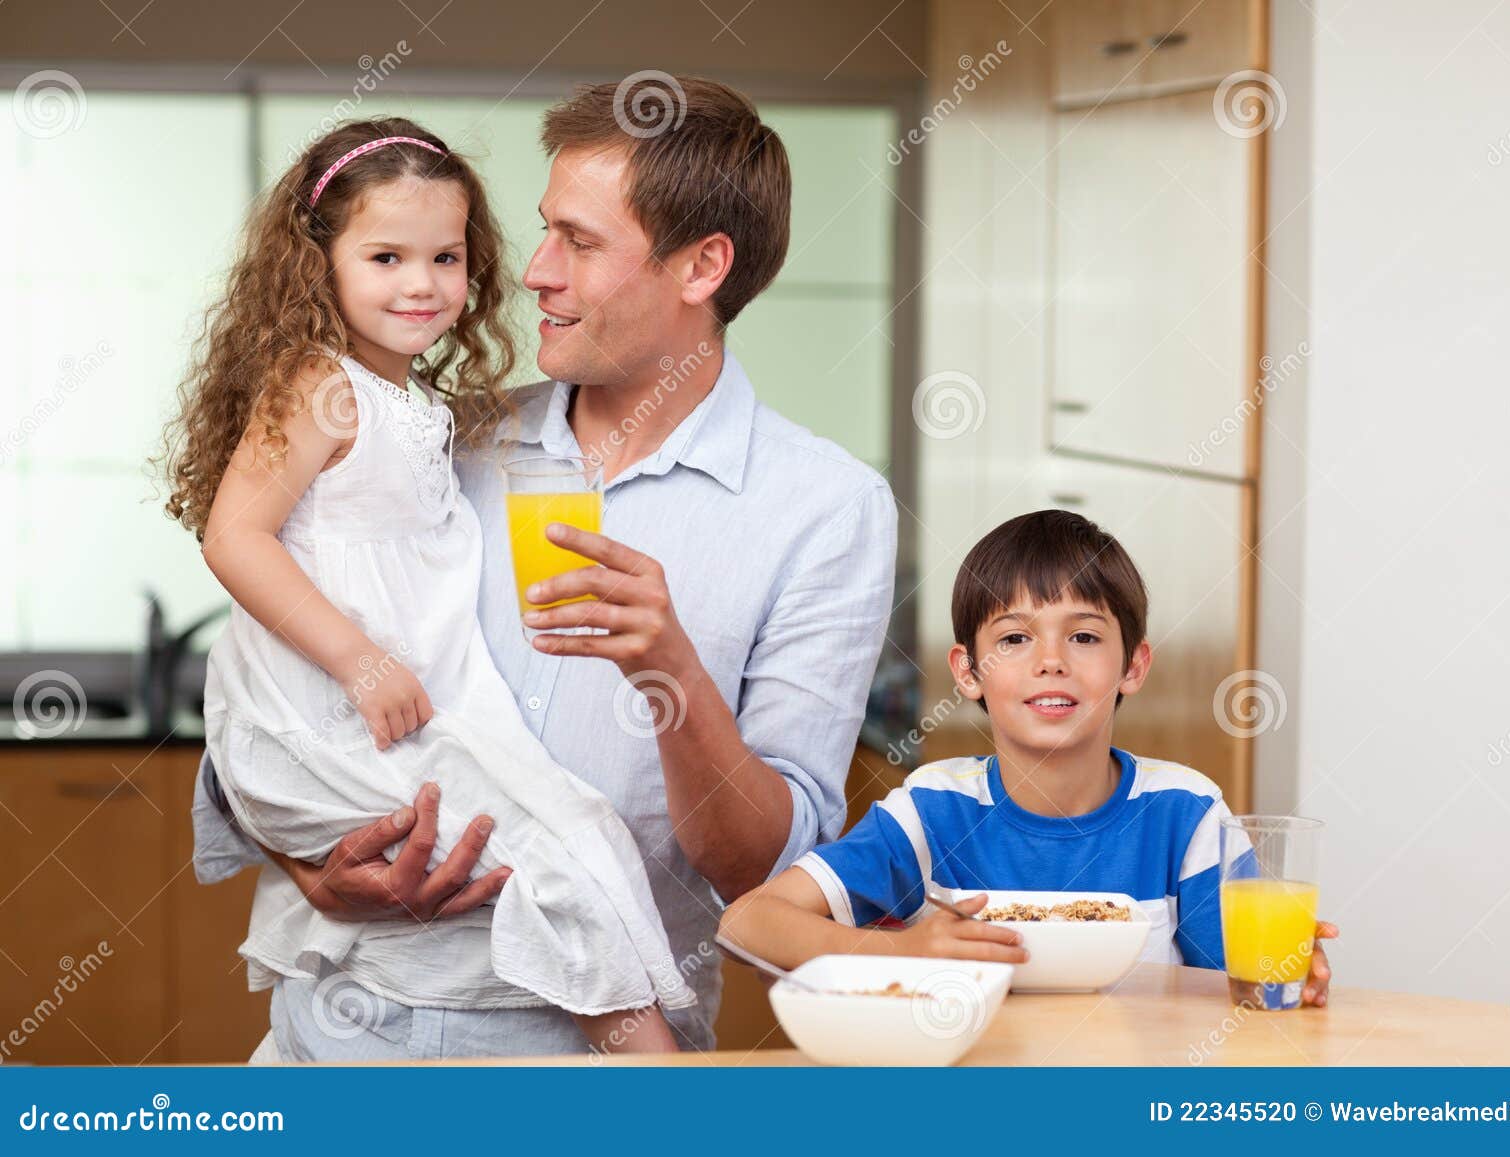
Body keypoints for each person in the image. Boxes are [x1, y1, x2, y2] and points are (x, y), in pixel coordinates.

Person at [189, 79, 898, 1060]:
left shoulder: (825, 508)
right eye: (540, 231)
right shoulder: (442, 439)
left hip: (588, 1053)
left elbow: (765, 872)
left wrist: (672, 672)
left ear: (702, 266)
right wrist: (306, 857)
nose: (532, 273)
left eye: (580, 240)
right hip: (347, 1031)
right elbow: (274, 680)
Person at [164, 117, 694, 1053]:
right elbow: (233, 537)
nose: (422, 283)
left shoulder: (410, 402)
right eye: (385, 256)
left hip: (397, 709)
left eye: (445, 256)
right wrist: (362, 661)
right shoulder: (320, 383)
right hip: (334, 715)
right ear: (316, 264)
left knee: (579, 843)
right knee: (568, 853)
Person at [719, 510, 1339, 1008]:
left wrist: (1292, 969)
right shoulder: (934, 809)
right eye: (1015, 638)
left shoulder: (1185, 813)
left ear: (1134, 666)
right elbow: (746, 923)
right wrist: (908, 952)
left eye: (1085, 636)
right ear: (967, 672)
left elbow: (1244, 987)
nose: (1051, 660)